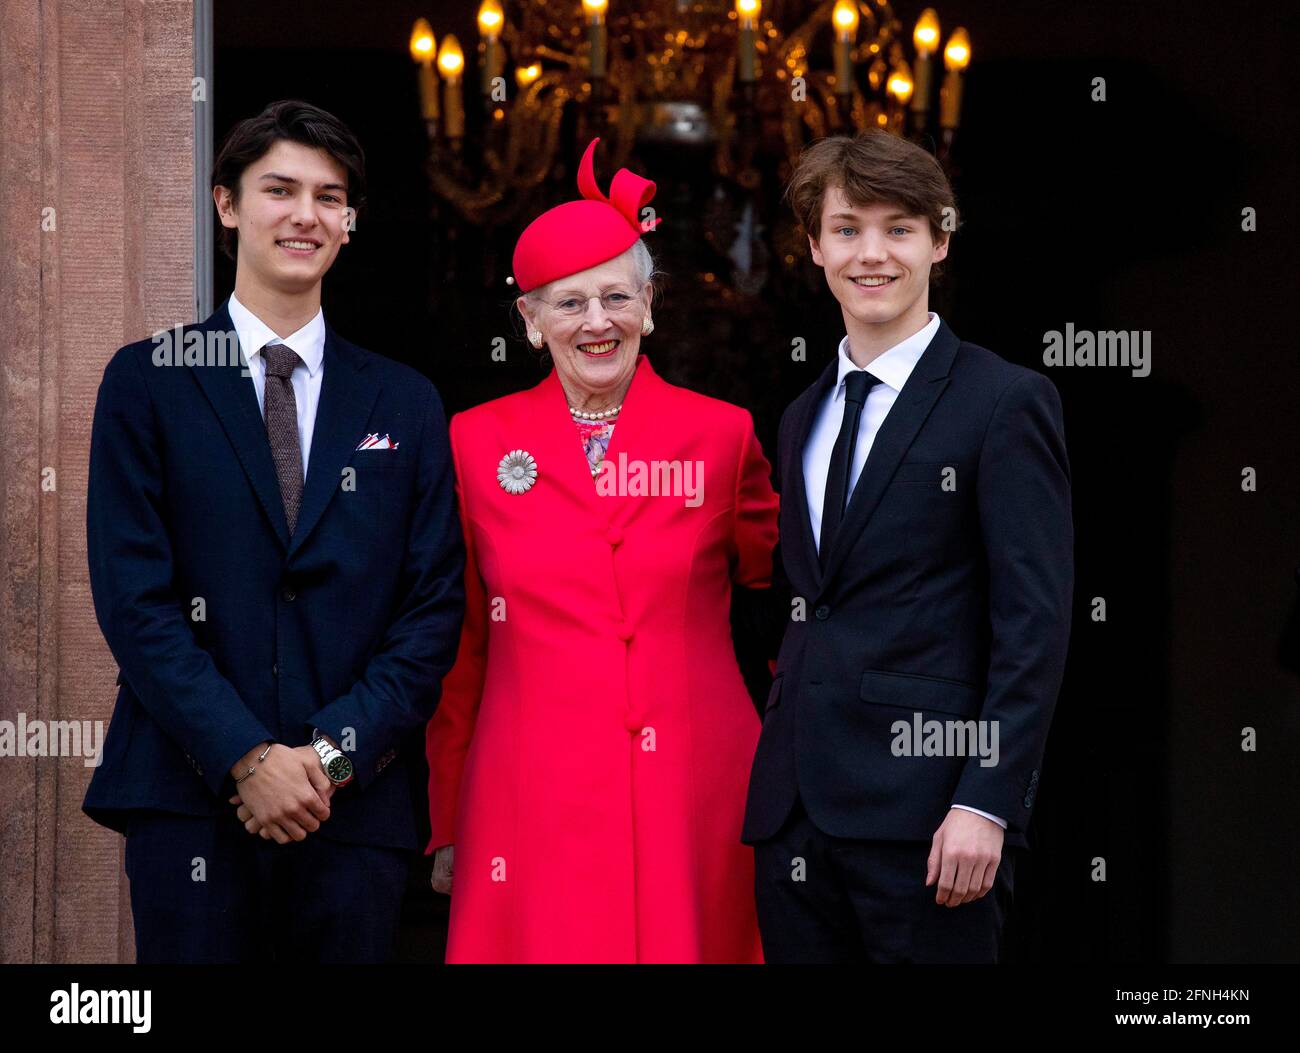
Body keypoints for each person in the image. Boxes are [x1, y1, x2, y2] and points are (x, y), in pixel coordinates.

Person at [82, 100, 465, 963]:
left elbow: (431, 607)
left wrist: (325, 760)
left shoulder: (404, 400)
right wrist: (247, 757)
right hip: (189, 796)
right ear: (226, 204)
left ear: (350, 222)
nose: (306, 214)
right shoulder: (147, 380)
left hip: (353, 810)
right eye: (280, 189)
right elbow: (134, 599)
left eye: (330, 197)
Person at [425, 138, 779, 963]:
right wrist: (449, 814)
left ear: (650, 305)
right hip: (530, 791)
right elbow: (460, 645)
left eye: (616, 297)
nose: (596, 322)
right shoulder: (474, 443)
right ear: (530, 320)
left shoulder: (722, 436)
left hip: (694, 784)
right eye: (569, 302)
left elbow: (783, 610)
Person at [742, 130, 1073, 963]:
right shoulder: (800, 415)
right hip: (794, 815)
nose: (872, 253)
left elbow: (1034, 621)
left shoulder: (1005, 401)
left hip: (932, 816)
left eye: (899, 228)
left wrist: (988, 801)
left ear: (940, 240)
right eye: (848, 228)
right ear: (814, 246)